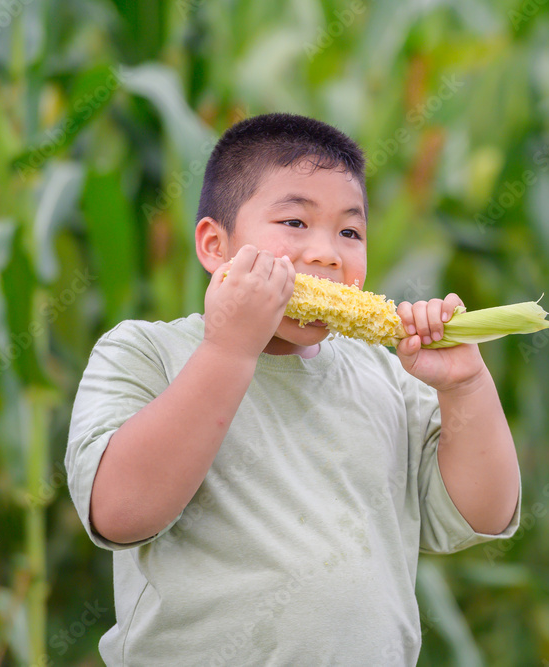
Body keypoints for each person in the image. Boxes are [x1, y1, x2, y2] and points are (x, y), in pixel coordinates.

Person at [65, 112, 521, 665]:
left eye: (350, 232)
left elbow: (484, 514)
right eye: (295, 223)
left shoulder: (386, 376)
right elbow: (120, 510)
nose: (327, 253)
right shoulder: (146, 352)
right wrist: (229, 349)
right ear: (215, 246)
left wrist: (465, 385)